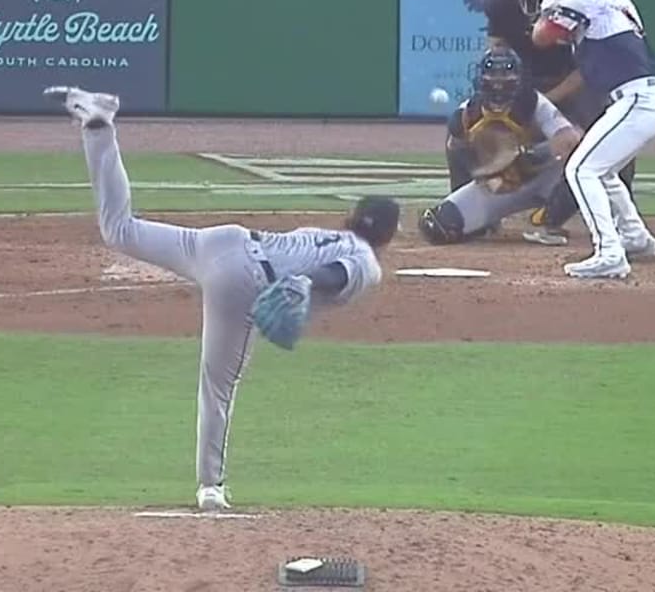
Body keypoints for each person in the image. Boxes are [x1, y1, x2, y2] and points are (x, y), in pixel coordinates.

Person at [42, 84, 400, 512]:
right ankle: (211, 487)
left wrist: (304, 280)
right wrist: (306, 284)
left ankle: (99, 126)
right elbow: (339, 274)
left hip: (221, 240)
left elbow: (330, 266)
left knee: (120, 231)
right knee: (218, 387)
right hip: (242, 281)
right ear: (388, 237)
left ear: (352, 216)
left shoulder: (326, 233)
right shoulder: (365, 259)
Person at [531, 0, 655, 280]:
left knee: (581, 170)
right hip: (640, 99)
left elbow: (542, 37)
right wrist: (562, 1)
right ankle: (635, 236)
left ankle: (609, 252)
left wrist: (554, 6)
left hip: (637, 99)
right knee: (602, 170)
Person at [417, 46, 584, 245]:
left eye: (504, 78)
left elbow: (571, 139)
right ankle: (484, 220)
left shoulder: (531, 102)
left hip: (545, 177)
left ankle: (550, 219)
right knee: (439, 226)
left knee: (584, 161)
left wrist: (529, 157)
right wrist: (484, 170)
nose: (498, 84)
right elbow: (455, 149)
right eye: (493, 77)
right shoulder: (468, 114)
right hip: (500, 183)